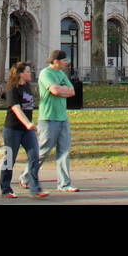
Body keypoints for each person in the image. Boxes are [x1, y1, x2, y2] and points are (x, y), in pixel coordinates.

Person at [20, 50, 78, 193]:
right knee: (43, 150)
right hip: (48, 118)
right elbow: (54, 91)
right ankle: (26, 176)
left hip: (63, 118)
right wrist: (62, 90)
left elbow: (72, 91)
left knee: (64, 151)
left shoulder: (62, 75)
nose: (67, 63)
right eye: (64, 60)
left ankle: (64, 184)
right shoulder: (46, 74)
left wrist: (62, 90)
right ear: (56, 61)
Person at [0, 62, 46, 198]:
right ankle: (6, 189)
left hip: (27, 130)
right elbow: (16, 108)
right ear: (20, 74)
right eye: (27, 71)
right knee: (10, 159)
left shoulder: (27, 87)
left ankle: (35, 189)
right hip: (13, 129)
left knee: (34, 156)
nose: (30, 73)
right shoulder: (12, 90)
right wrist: (28, 124)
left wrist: (29, 126)